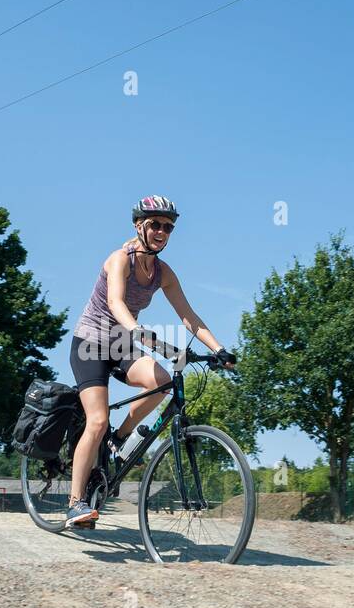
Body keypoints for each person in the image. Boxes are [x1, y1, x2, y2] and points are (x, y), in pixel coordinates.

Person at [66, 196, 235, 528]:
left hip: (123, 344)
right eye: (155, 224)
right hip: (90, 343)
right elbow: (115, 301)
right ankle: (75, 503)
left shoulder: (163, 273)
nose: (161, 231)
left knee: (162, 382)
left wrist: (219, 349)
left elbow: (189, 317)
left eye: (168, 227)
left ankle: (120, 439)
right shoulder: (120, 260)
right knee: (97, 421)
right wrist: (135, 328)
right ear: (139, 226)